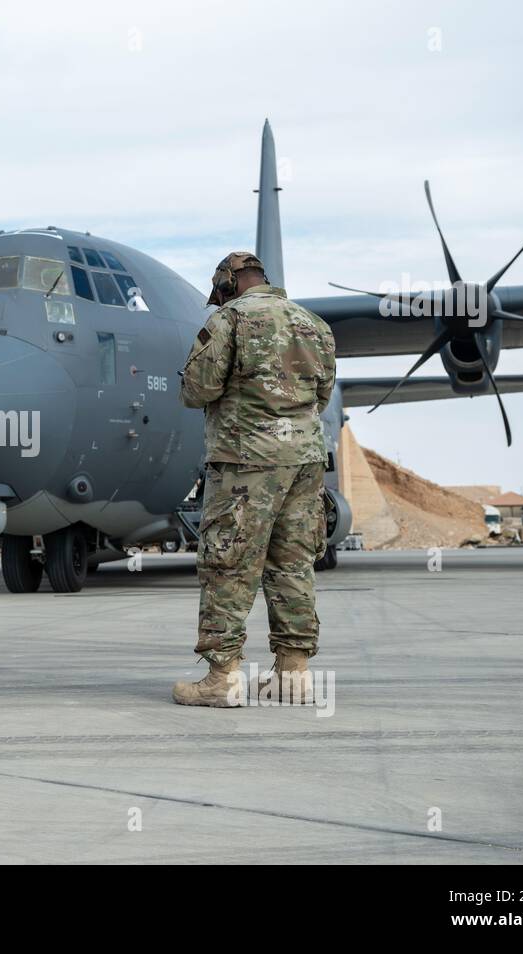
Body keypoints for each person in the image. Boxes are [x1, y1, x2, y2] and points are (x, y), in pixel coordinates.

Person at [173, 252, 336, 707]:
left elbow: (198, 390)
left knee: (228, 564)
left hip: (247, 461)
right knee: (293, 564)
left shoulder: (229, 321)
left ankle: (222, 678)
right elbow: (323, 394)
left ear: (228, 285)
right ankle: (293, 675)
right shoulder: (314, 324)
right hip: (305, 461)